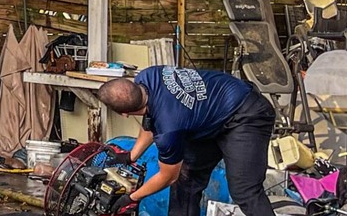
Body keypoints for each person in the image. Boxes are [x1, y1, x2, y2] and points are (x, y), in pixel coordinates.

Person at [96, 67, 276, 216]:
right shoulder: (147, 76)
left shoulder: (169, 130)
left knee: (245, 191)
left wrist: (132, 197)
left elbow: (167, 177)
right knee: (187, 179)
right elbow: (150, 119)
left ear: (124, 114)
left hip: (246, 113)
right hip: (209, 116)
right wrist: (131, 156)